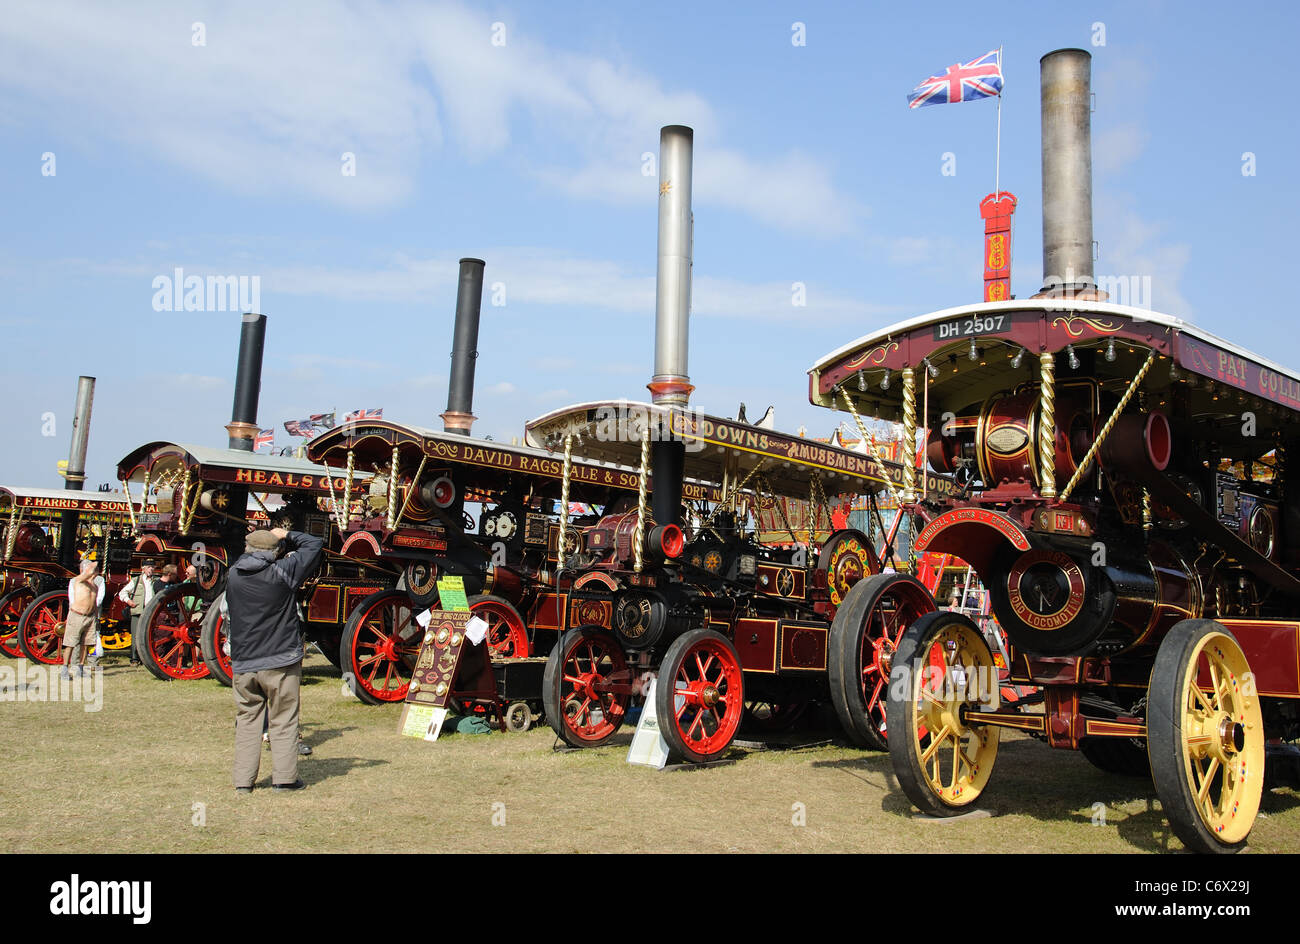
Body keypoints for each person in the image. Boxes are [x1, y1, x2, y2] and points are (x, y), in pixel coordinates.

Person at [226, 526, 323, 793]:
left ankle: (243, 783)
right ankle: (284, 779)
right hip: (280, 660)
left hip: (245, 661)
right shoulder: (282, 572)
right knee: (283, 718)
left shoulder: (233, 574)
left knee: (247, 720)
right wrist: (286, 533)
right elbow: (314, 545)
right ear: (274, 551)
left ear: (247, 549)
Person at [62, 559, 104, 678]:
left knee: (87, 643)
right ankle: (65, 668)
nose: (94, 572)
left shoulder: (95, 586)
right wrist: (94, 562)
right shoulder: (79, 581)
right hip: (77, 615)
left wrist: (96, 618)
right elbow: (90, 568)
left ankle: (81, 667)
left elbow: (95, 603)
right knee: (70, 643)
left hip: (90, 617)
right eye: (92, 570)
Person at [118, 559, 157, 666]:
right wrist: (129, 601)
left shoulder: (155, 581)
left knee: (149, 635)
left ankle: (147, 658)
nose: (151, 569)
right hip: (138, 611)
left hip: (151, 612)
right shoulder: (136, 581)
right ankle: (134, 658)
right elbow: (122, 593)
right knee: (136, 635)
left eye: (152, 567)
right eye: (148, 567)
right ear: (143, 569)